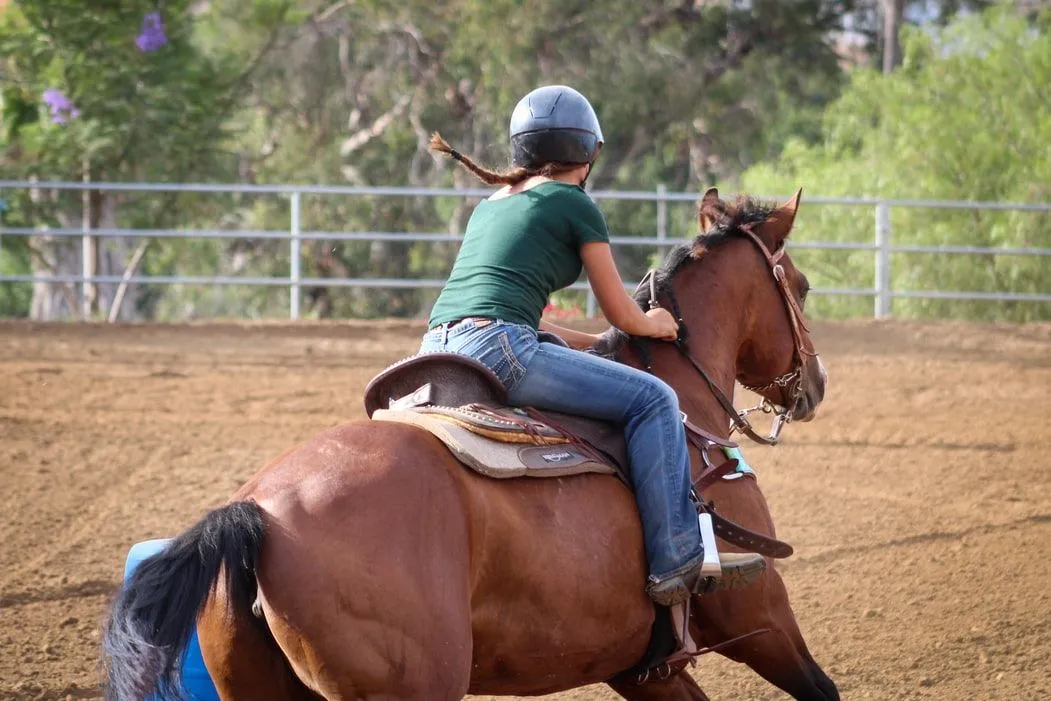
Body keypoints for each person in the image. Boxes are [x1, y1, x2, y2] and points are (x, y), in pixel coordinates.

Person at [421, 85, 765, 606]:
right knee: (653, 399)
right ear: (588, 151)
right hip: (500, 345)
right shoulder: (572, 202)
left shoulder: (490, 205)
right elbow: (621, 312)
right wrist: (654, 322)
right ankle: (676, 555)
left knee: (551, 347)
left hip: (439, 347)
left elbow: (527, 319)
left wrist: (601, 343)